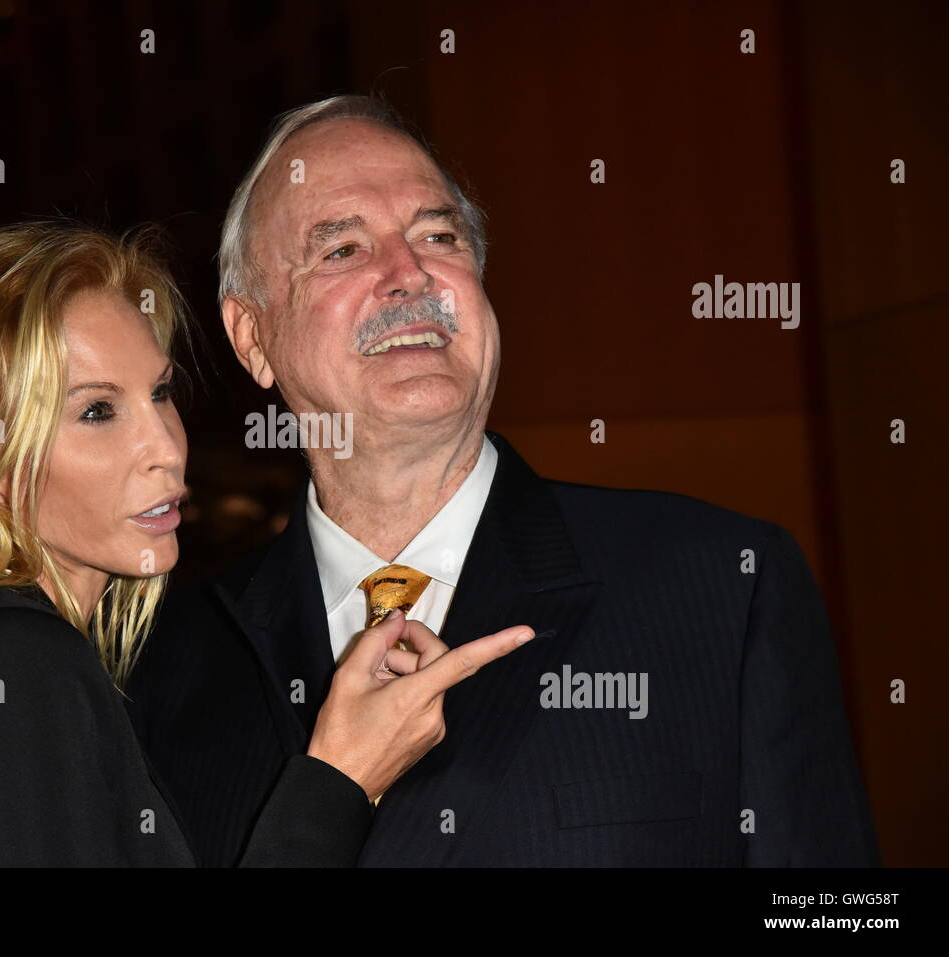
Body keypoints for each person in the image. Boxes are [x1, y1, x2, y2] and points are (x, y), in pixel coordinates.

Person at [125, 95, 881, 867]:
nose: (410, 273)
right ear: (252, 337)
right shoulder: (160, 668)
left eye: (439, 235)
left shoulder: (722, 584)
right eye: (343, 250)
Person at [0, 221, 533, 867]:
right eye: (98, 411)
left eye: (162, 393)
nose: (165, 448)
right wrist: (340, 778)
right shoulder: (9, 654)